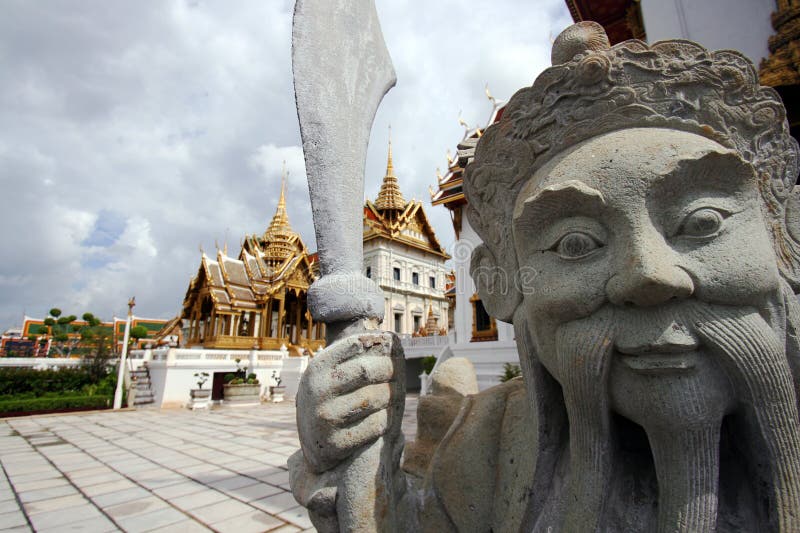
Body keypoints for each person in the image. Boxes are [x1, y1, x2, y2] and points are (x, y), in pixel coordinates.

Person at [290, 22, 800, 532]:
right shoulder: (483, 449)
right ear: (499, 285)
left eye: (702, 222)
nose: (650, 275)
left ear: (789, 238)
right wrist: (361, 471)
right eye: (575, 244)